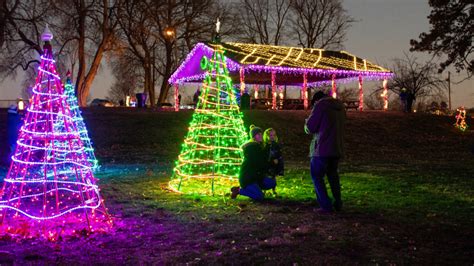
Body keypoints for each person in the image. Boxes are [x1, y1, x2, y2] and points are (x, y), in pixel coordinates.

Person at [305, 91, 346, 213]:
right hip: (336, 147)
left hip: (321, 148)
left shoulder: (320, 106)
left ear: (316, 101)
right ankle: (337, 202)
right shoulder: (340, 106)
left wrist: (306, 122)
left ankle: (325, 205)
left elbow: (310, 127)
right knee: (333, 175)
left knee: (317, 176)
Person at [231, 125, 276, 200]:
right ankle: (239, 190)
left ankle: (255, 189)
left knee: (272, 182)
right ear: (254, 137)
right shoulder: (251, 148)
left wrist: (268, 145)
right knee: (259, 197)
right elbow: (260, 162)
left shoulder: (258, 146)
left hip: (256, 177)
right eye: (258, 134)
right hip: (248, 179)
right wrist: (270, 165)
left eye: (261, 134)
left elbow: (264, 158)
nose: (261, 136)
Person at [263, 128, 284, 194]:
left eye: (274, 135)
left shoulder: (276, 144)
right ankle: (264, 189)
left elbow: (279, 153)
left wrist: (278, 159)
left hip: (274, 163)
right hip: (268, 163)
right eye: (270, 135)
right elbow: (265, 154)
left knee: (273, 176)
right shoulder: (265, 145)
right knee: (266, 176)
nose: (272, 137)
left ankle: (273, 189)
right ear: (267, 136)